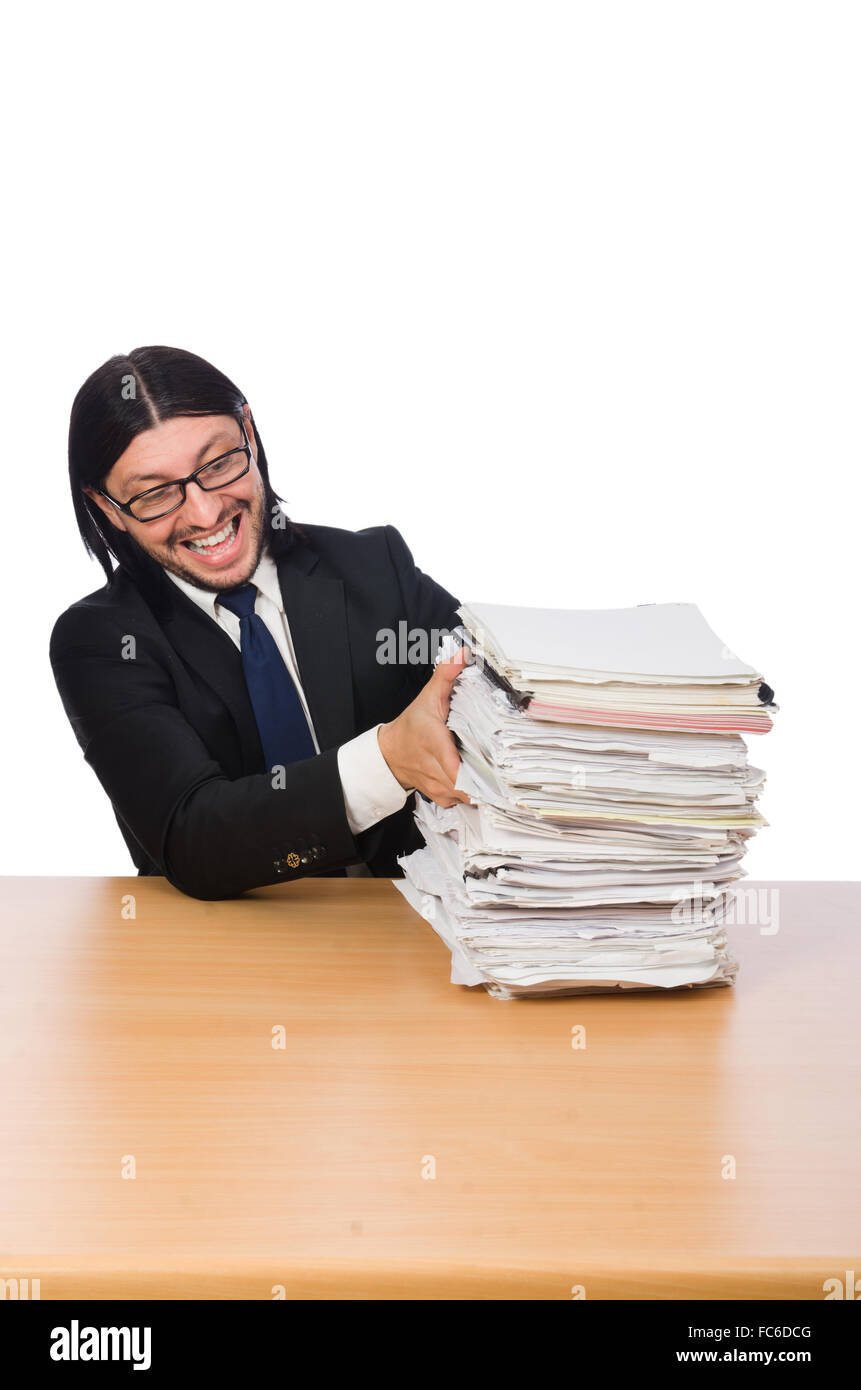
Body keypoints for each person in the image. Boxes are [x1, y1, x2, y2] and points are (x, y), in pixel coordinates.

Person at [50, 345, 470, 900]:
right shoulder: (102, 643)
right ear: (108, 509)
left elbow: (506, 702)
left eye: (218, 464)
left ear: (249, 430)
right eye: (153, 494)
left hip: (407, 930)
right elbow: (192, 836)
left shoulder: (376, 568)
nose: (204, 514)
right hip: (223, 951)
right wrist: (388, 760)